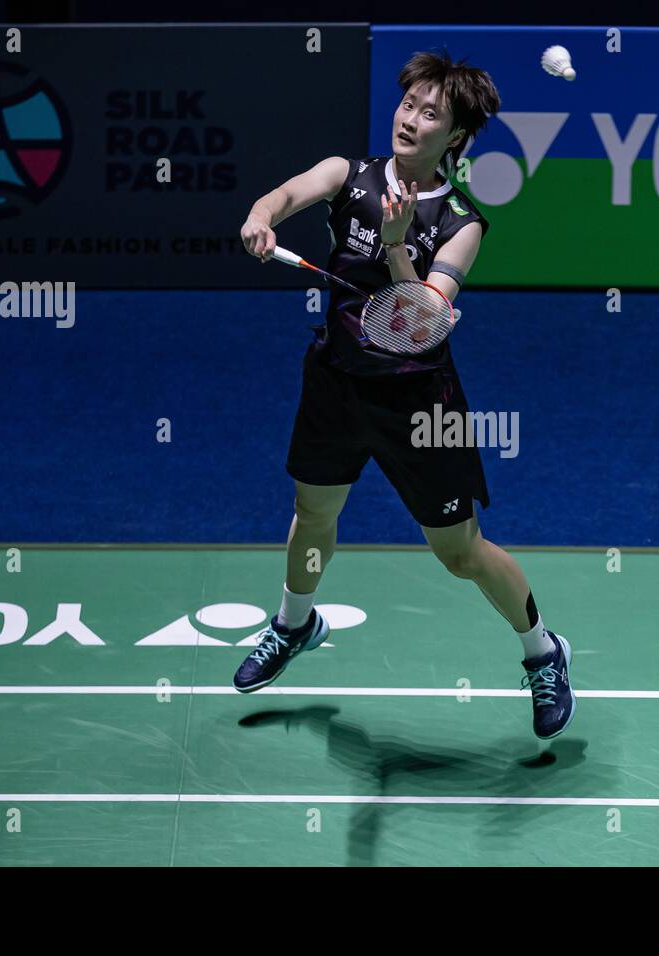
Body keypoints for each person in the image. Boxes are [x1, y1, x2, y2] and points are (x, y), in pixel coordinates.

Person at [234, 49, 574, 739]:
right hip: (336, 380)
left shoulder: (461, 222)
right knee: (314, 510)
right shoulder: (347, 175)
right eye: (408, 104)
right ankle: (295, 624)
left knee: (459, 551)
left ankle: (544, 652)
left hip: (420, 402)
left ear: (455, 137)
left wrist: (395, 247)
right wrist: (260, 216)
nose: (410, 120)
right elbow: (285, 194)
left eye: (430, 114)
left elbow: (420, 321)